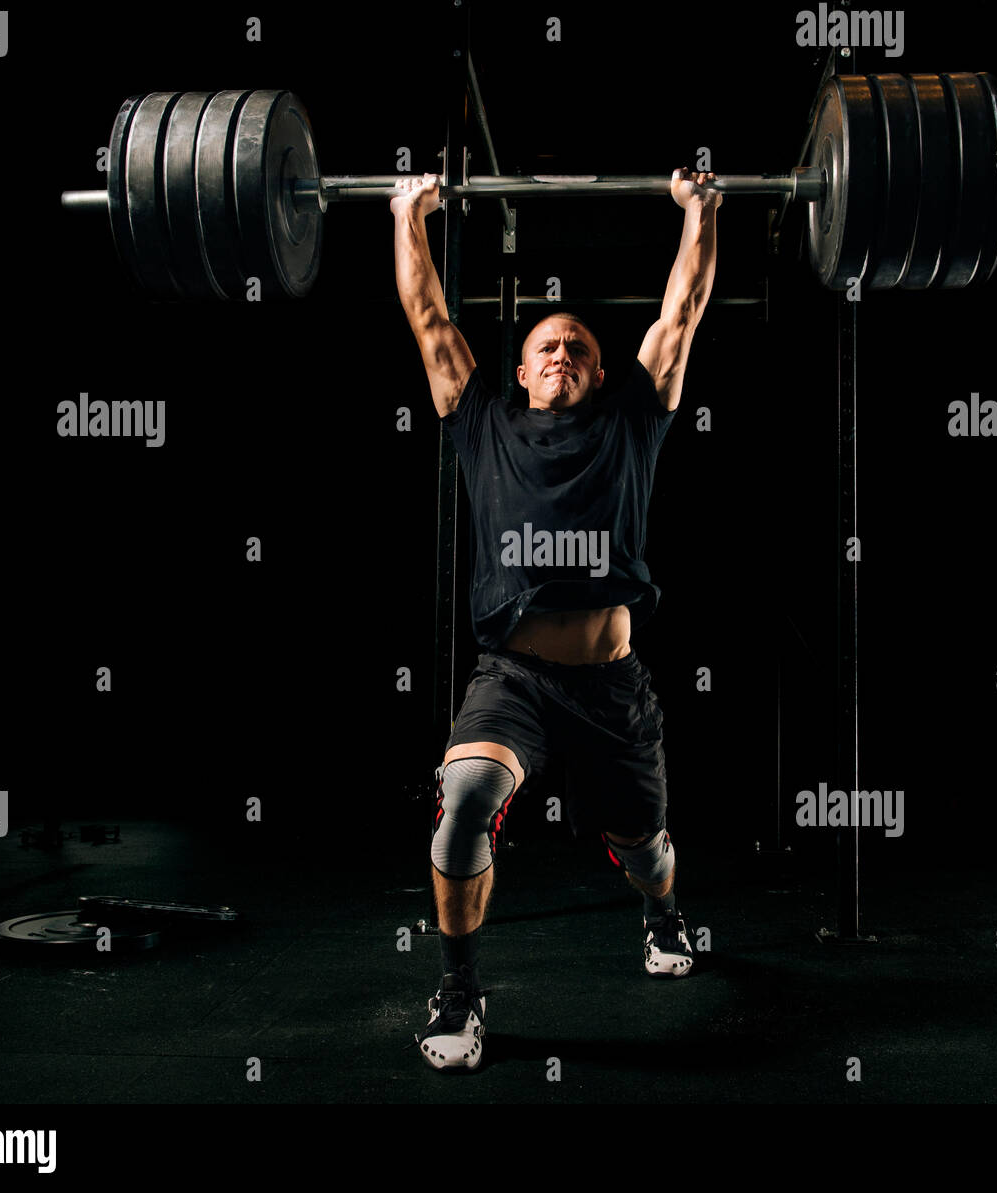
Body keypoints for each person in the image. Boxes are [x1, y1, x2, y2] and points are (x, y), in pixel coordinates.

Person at [391, 167, 720, 1071]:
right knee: (460, 805)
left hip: (611, 684)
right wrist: (404, 213)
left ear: (600, 369)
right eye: (546, 345)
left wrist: (699, 213)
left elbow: (681, 313)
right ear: (523, 366)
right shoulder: (480, 421)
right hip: (516, 680)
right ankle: (459, 989)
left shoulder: (632, 421)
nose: (562, 353)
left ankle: (661, 912)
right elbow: (428, 318)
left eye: (577, 344)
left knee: (647, 847)